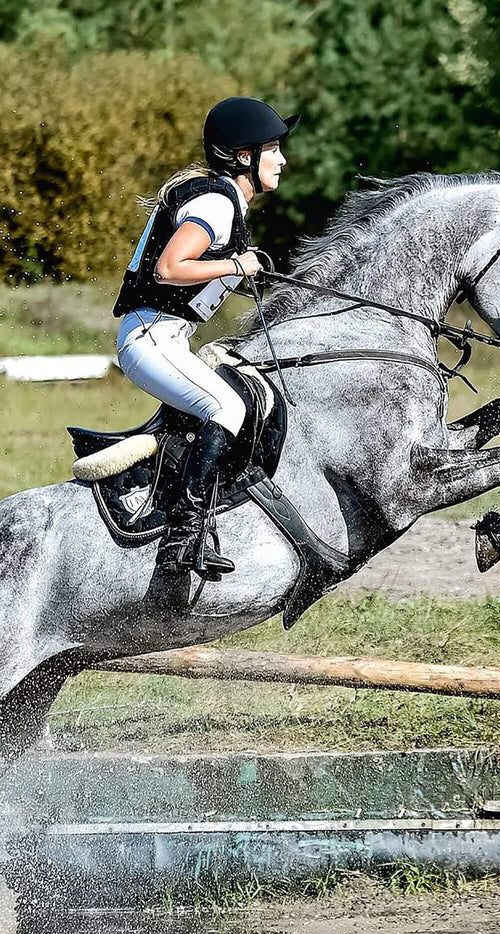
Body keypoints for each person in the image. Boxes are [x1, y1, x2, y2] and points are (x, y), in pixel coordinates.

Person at [112, 97, 298, 580]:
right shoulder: (216, 202)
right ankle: (181, 539)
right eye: (273, 149)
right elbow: (169, 268)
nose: (282, 160)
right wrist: (235, 264)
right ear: (243, 156)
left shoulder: (222, 199)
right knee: (227, 408)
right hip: (151, 337)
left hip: (166, 336)